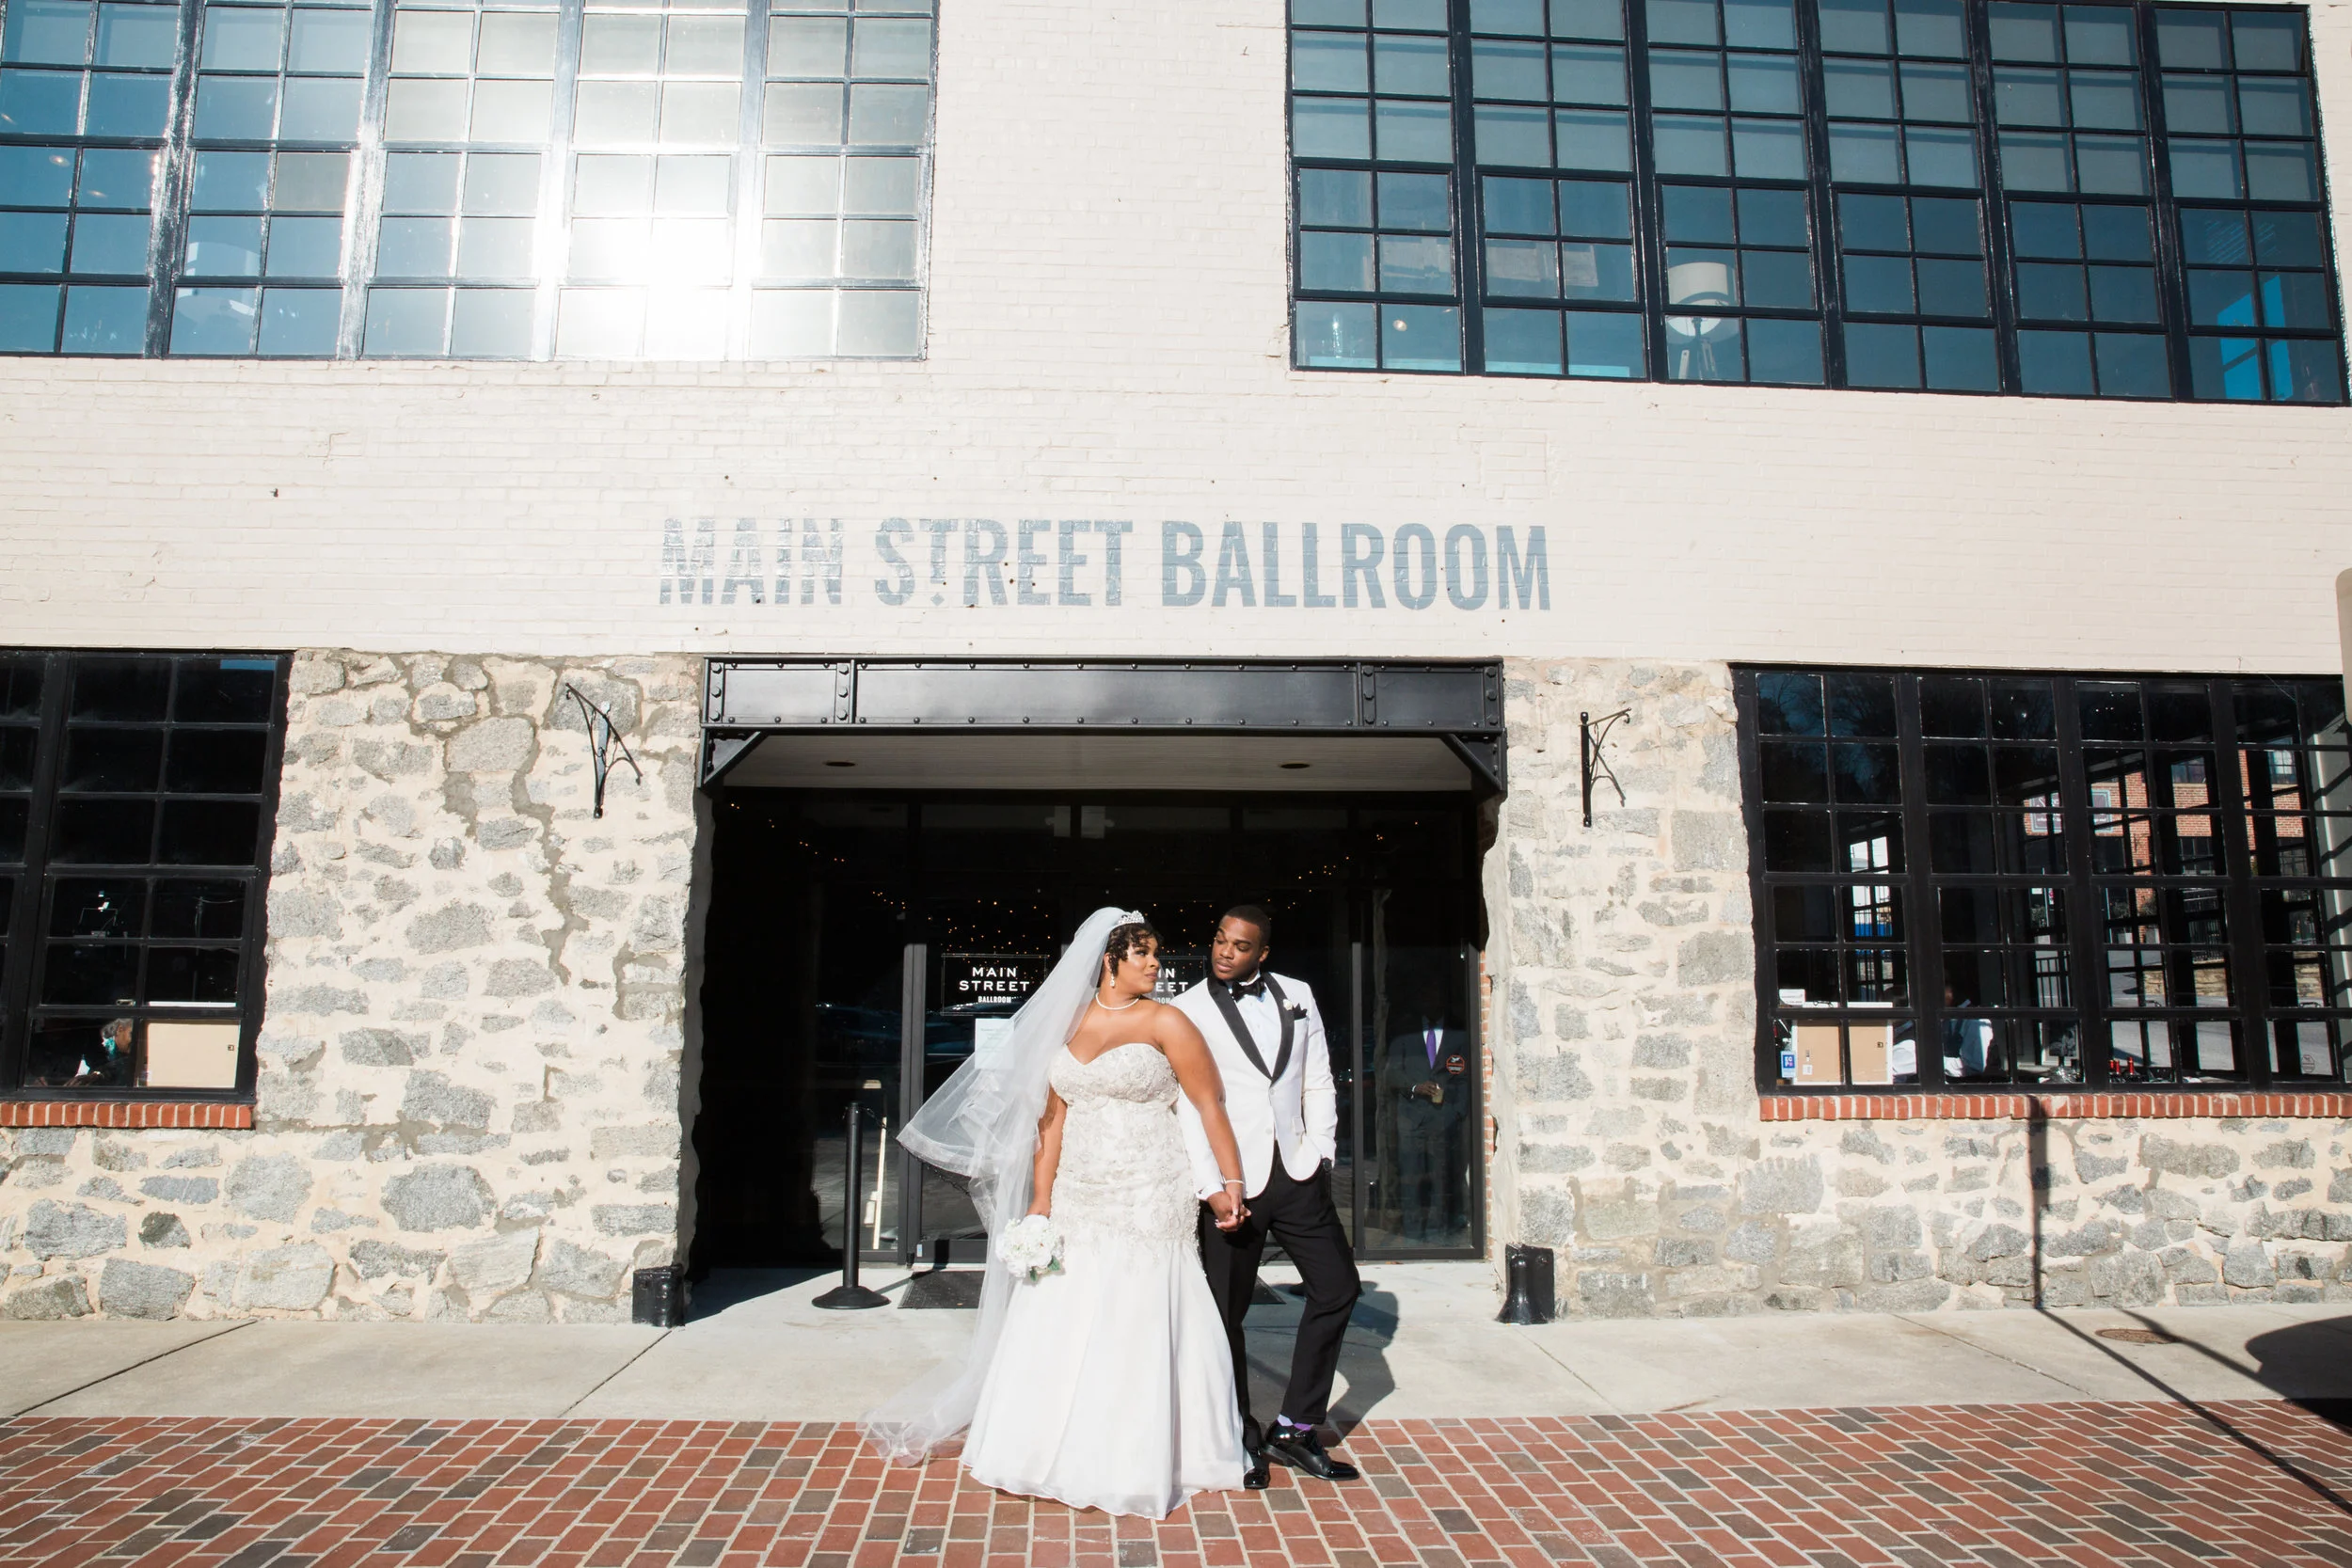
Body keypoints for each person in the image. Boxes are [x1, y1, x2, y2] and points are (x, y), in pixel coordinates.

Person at [864, 909, 1252, 1519]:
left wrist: (1230, 1181)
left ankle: (1149, 1447)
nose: (1155, 963)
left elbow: (1210, 1106)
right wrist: (1041, 1199)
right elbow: (1051, 1119)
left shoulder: (1168, 1020)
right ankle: (1047, 1441)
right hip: (1078, 1186)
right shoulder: (1063, 1023)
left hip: (1152, 1185)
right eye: (1143, 954)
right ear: (1107, 960)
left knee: (1143, 1300)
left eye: (1156, 954)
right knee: (1065, 1303)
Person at [1173, 906, 1362, 1486]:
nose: (1226, 952)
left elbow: (1318, 1078)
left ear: (1262, 953)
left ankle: (1296, 1428)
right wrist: (1211, 1188)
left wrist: (1321, 1150)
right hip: (1233, 1182)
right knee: (1226, 1314)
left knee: (1338, 1288)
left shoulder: (1298, 994)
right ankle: (1240, 1435)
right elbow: (1187, 1105)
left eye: (1240, 945)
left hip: (1297, 1171)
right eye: (1220, 941)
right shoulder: (1186, 1010)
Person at [1379, 976, 1469, 1243]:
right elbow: (1391, 1075)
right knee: (1411, 1181)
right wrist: (1416, 1086)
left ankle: (1439, 1234)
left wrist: (1456, 1113)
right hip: (1410, 1120)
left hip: (1443, 1121)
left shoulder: (1459, 1035)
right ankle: (1414, 1234)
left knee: (1442, 1182)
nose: (1429, 1000)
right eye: (1425, 995)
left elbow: (1466, 1079)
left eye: (1435, 995)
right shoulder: (1404, 1035)